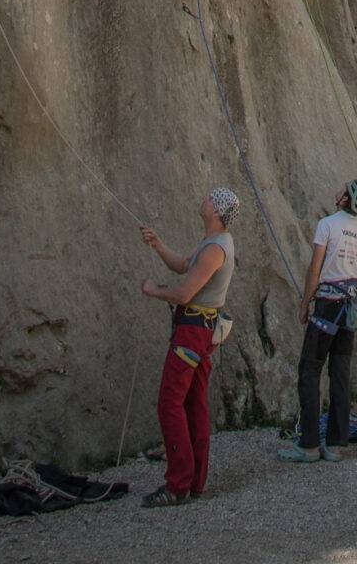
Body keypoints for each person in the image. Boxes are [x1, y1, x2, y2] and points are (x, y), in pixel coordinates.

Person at [139, 187, 239, 506]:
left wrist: (155, 291)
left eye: (210, 198)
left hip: (193, 332)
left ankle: (178, 484)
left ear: (216, 211)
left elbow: (184, 293)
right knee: (195, 403)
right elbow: (183, 265)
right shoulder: (210, 242)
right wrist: (157, 245)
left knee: (170, 402)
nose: (204, 199)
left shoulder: (216, 249)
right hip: (199, 330)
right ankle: (194, 482)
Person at [279, 178, 357, 465]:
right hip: (350, 310)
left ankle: (309, 444)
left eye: (343, 188)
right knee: (340, 373)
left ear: (346, 198)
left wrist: (304, 303)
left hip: (327, 307)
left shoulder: (328, 224)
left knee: (310, 369)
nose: (338, 189)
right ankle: (336, 443)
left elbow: (315, 267)